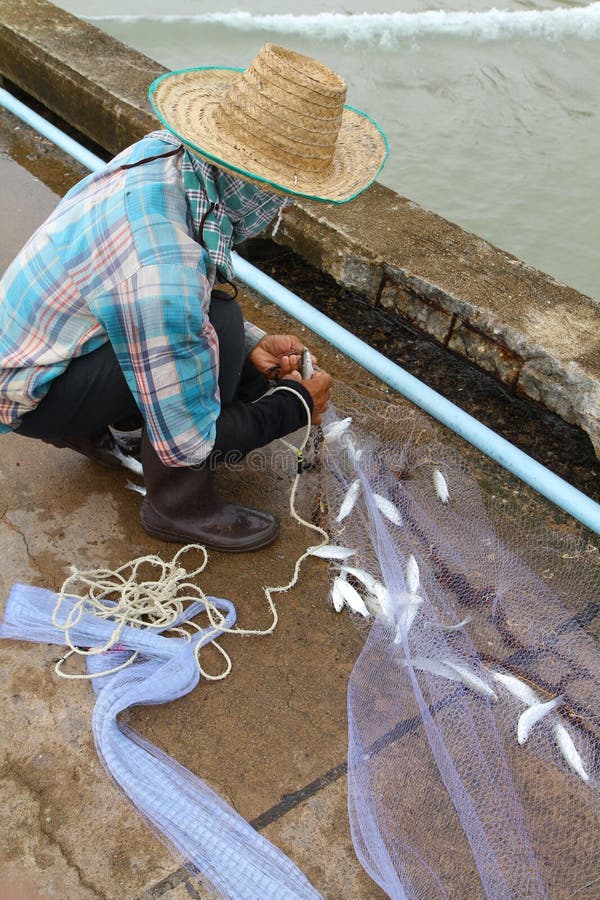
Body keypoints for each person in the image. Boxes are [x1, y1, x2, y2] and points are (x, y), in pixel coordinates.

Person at [0, 43, 388, 552]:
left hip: (38, 347)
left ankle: (96, 424)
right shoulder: (165, 270)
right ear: (255, 184)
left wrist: (249, 347)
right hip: (30, 394)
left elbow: (168, 300)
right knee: (214, 328)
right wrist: (293, 406)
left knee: (223, 323)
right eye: (285, 195)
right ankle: (178, 506)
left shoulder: (164, 153)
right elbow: (192, 437)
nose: (287, 209)